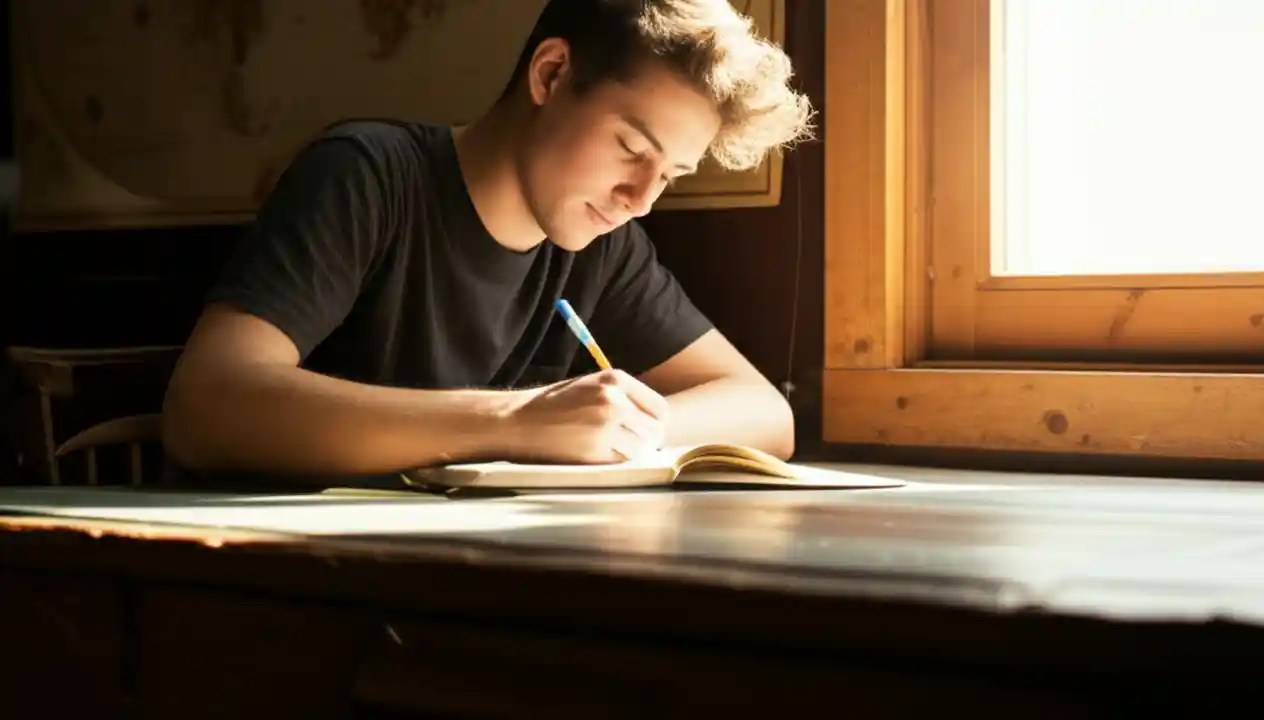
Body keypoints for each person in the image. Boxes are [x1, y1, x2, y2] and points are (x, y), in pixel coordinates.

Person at [161, 0, 814, 483]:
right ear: (551, 75)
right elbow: (206, 405)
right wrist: (515, 425)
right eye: (629, 148)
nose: (639, 199)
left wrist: (618, 426)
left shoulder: (600, 246)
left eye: (669, 175)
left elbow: (762, 411)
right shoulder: (368, 175)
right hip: (279, 581)